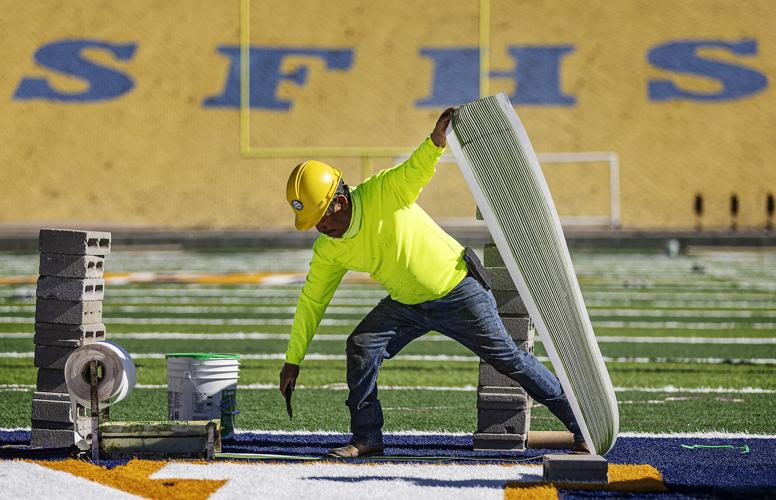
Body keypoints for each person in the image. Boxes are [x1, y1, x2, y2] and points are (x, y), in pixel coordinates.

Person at [279, 108, 585, 457]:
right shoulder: (328, 249)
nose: (319, 227)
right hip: (407, 304)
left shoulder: (384, 191)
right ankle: (366, 438)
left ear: (341, 201)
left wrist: (438, 138)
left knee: (509, 359)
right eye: (312, 222)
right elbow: (312, 302)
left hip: (457, 289)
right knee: (361, 345)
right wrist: (293, 360)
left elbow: (418, 167)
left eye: (320, 218)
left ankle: (580, 424)